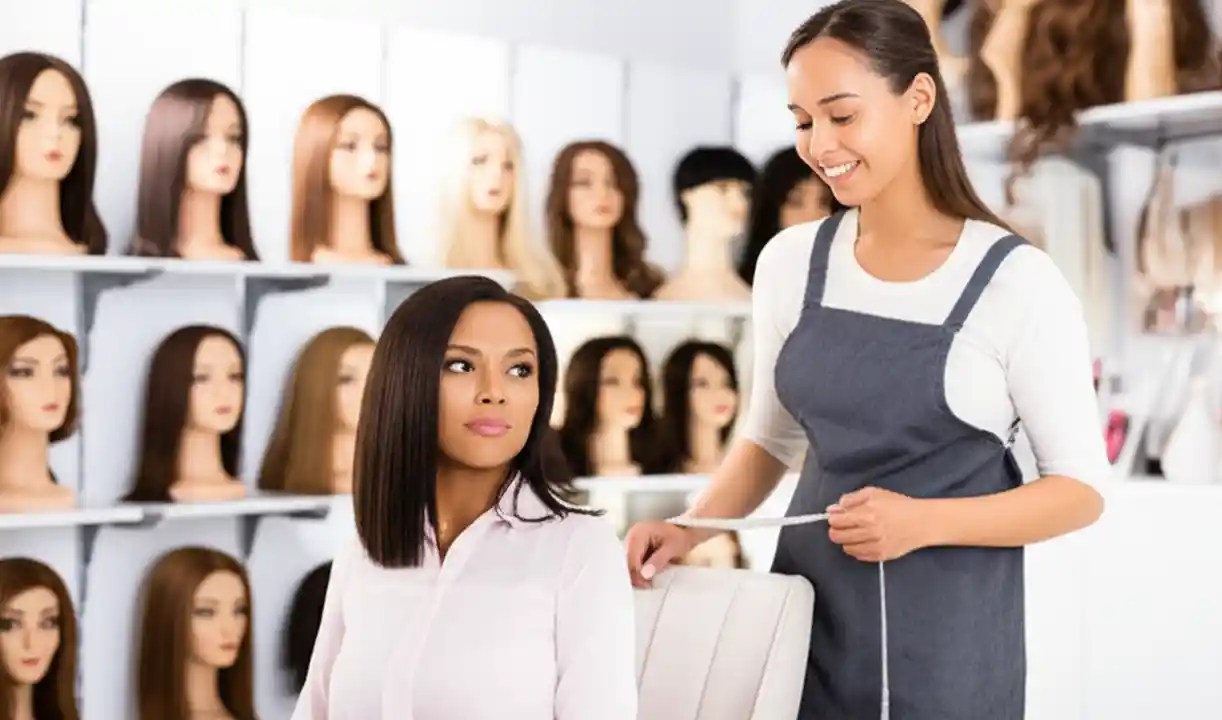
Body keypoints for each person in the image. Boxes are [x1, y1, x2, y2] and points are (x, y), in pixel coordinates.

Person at [624, 2, 1108, 718]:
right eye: (801, 120)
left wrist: (924, 522)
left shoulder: (1016, 282)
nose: (819, 144)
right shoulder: (792, 262)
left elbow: (1079, 491)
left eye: (842, 115)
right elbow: (771, 439)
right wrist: (693, 526)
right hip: (804, 622)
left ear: (918, 99)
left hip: (949, 646)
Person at [293, 276, 637, 719]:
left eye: (519, 370)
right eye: (461, 366)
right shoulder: (364, 550)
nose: (494, 391)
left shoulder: (580, 549)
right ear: (407, 380)